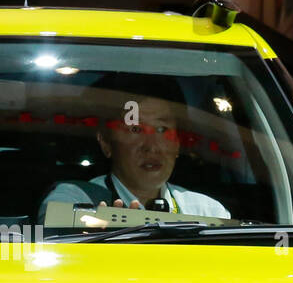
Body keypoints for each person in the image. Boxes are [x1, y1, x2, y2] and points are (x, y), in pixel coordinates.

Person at [37, 84, 231, 226]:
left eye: (162, 129)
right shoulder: (72, 201)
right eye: (136, 130)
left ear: (178, 144)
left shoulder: (206, 212)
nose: (151, 146)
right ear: (106, 143)